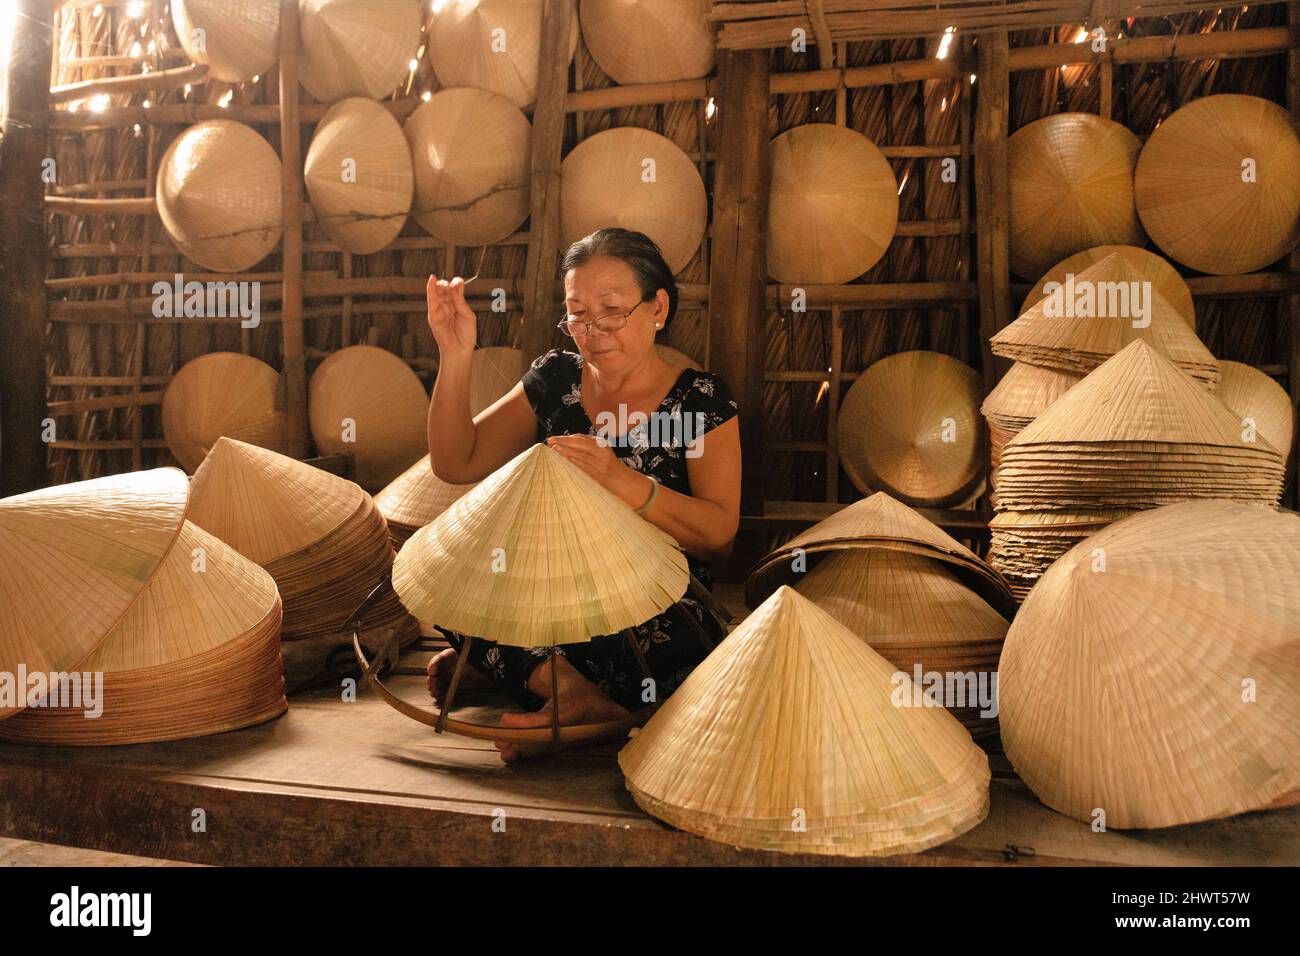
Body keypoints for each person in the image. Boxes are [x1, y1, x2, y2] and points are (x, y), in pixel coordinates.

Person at [422, 227, 742, 762]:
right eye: (577, 314)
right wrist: (455, 355)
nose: (593, 330)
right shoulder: (555, 378)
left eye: (612, 310)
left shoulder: (699, 399)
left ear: (658, 307)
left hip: (655, 607)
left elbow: (720, 538)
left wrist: (624, 481)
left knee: (656, 646)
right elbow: (455, 460)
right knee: (450, 582)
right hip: (551, 583)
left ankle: (537, 677)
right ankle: (572, 693)